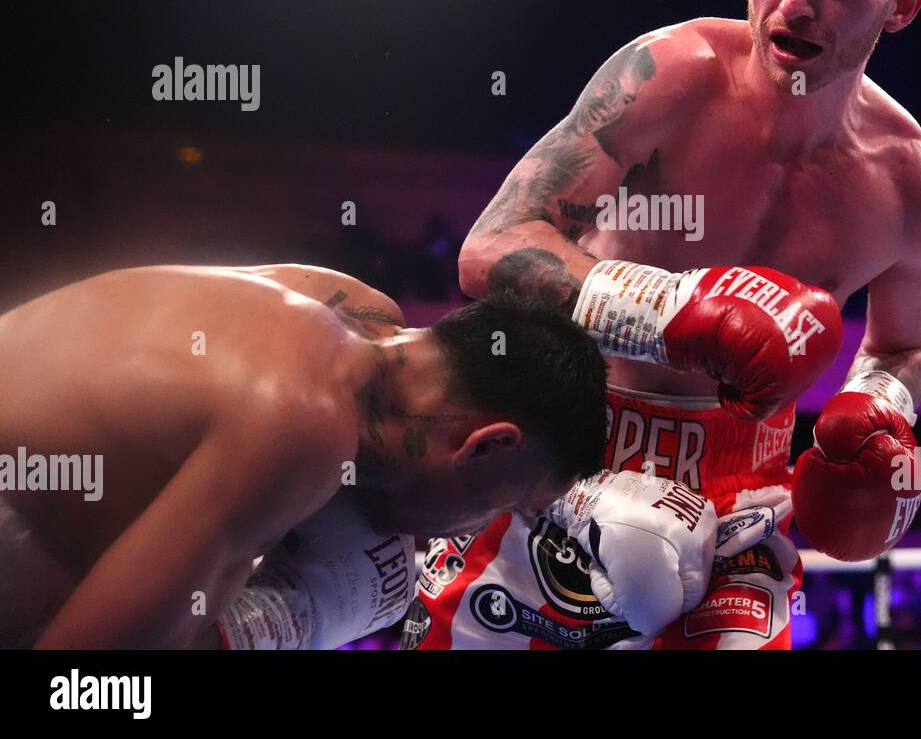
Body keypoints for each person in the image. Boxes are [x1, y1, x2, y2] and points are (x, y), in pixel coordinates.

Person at [405, 0, 921, 650]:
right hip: (564, 455)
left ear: (901, 5)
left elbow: (902, 344)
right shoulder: (667, 75)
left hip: (742, 502)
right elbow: (491, 249)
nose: (794, 3)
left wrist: (878, 411)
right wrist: (670, 307)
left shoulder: (917, 188)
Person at [0, 263, 607, 648]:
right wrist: (283, 618)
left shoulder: (346, 305)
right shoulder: (307, 425)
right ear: (487, 444)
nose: (471, 531)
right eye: (499, 505)